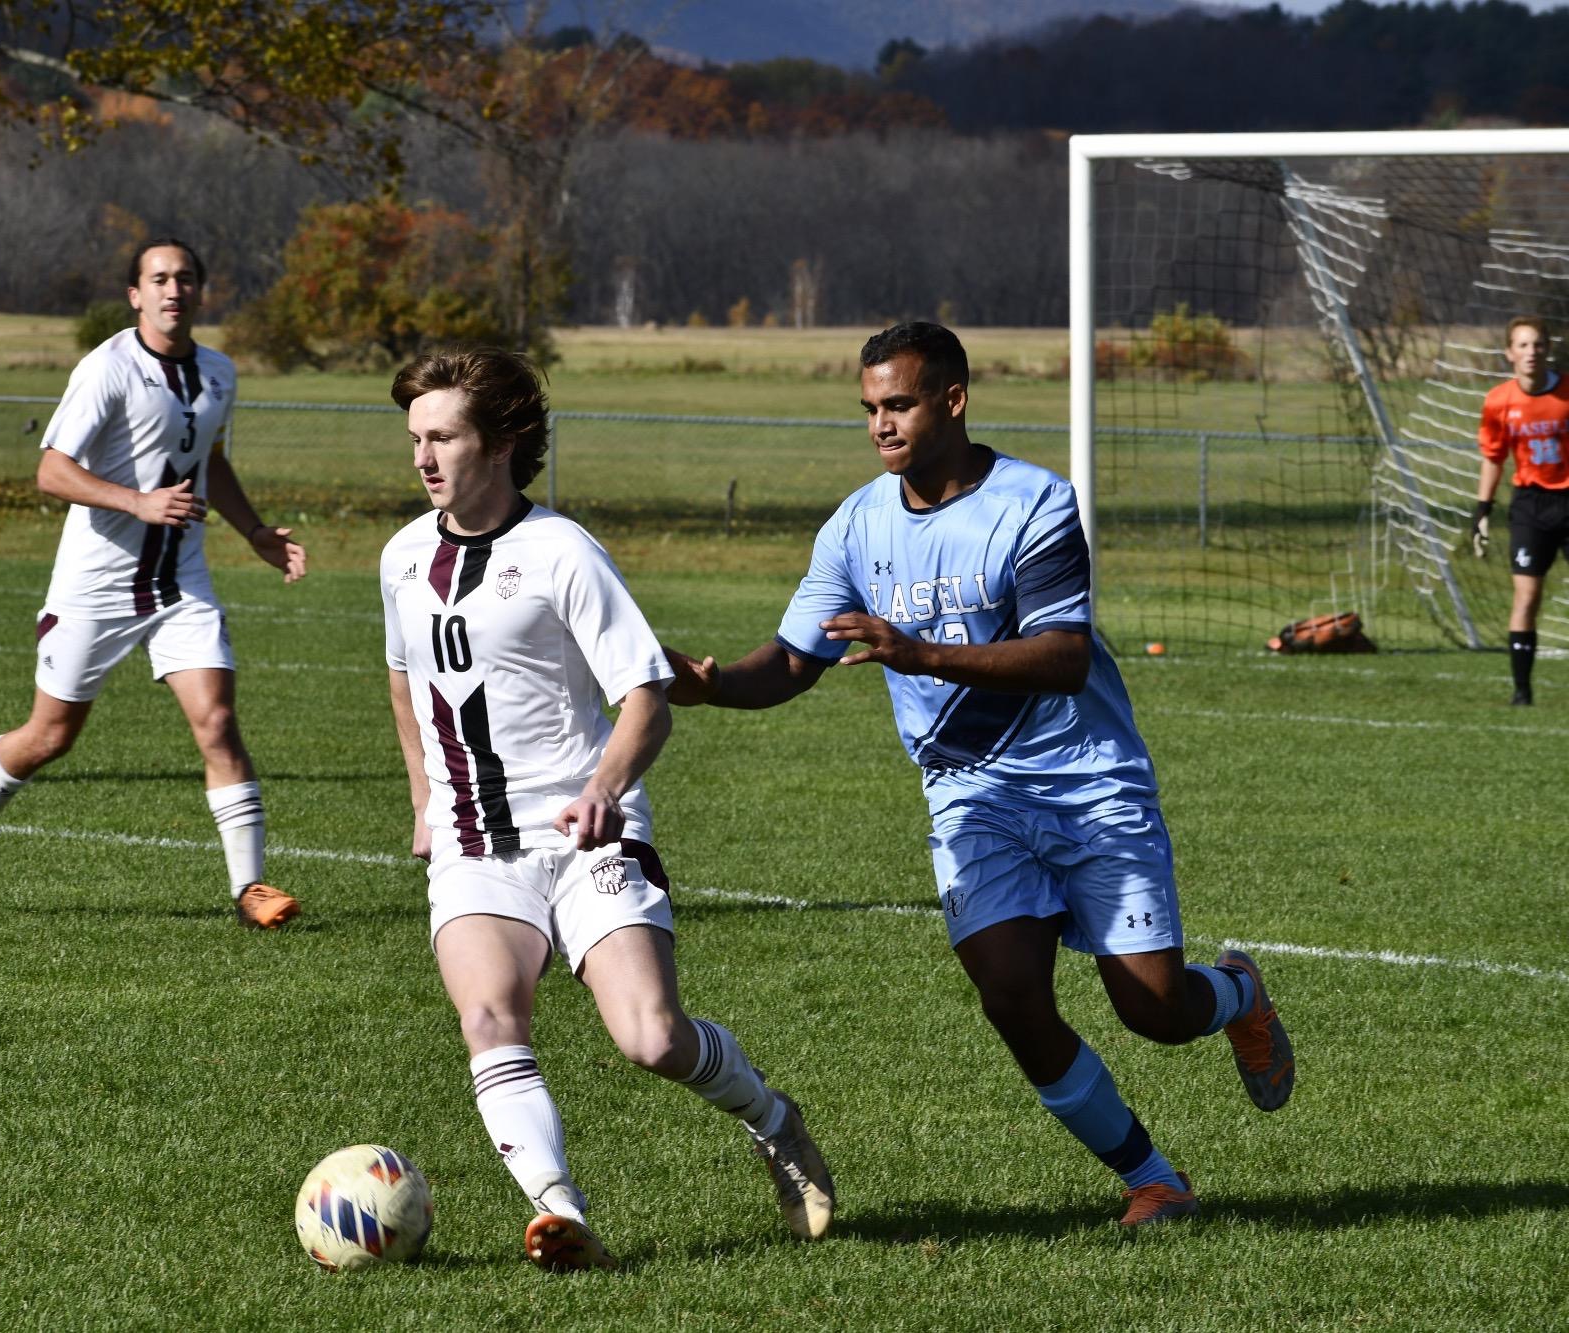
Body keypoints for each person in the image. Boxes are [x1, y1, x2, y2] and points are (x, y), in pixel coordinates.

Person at [665, 322, 1294, 1228]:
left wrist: (920, 654)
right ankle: (1154, 1179)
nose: (882, 425)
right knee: (1012, 995)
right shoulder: (855, 525)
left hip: (1085, 778)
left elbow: (1064, 658)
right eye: (870, 409)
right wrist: (715, 686)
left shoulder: (1036, 504)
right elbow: (794, 661)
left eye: (900, 404)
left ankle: (1237, 991)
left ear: (952, 400)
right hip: (970, 794)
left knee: (1154, 1009)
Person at [381, 348, 834, 1271]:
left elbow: (646, 698)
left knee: (651, 1037)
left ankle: (770, 1116)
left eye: (444, 436)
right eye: (415, 438)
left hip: (587, 833)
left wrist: (602, 789)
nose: (424, 457)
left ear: (502, 442)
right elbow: (403, 679)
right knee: (490, 1018)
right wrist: (426, 800)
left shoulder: (562, 551)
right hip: (478, 843)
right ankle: (560, 1210)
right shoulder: (402, 556)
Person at [0, 238, 306, 925]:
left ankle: (250, 887)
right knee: (49, 736)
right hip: (95, 585)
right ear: (135, 294)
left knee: (218, 720)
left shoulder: (218, 372)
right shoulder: (108, 368)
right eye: (159, 278)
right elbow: (50, 470)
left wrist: (254, 532)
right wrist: (138, 502)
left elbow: (210, 460)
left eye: (185, 278)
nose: (174, 289)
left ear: (200, 291)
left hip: (180, 580)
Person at [1470, 314, 1569, 706]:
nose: (1531, 352)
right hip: (1530, 505)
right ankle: (1522, 690)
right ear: (1510, 353)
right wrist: (1481, 509)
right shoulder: (1498, 400)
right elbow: (1493, 457)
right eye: (1523, 345)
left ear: (1548, 349)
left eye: (1538, 344)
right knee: (1526, 597)